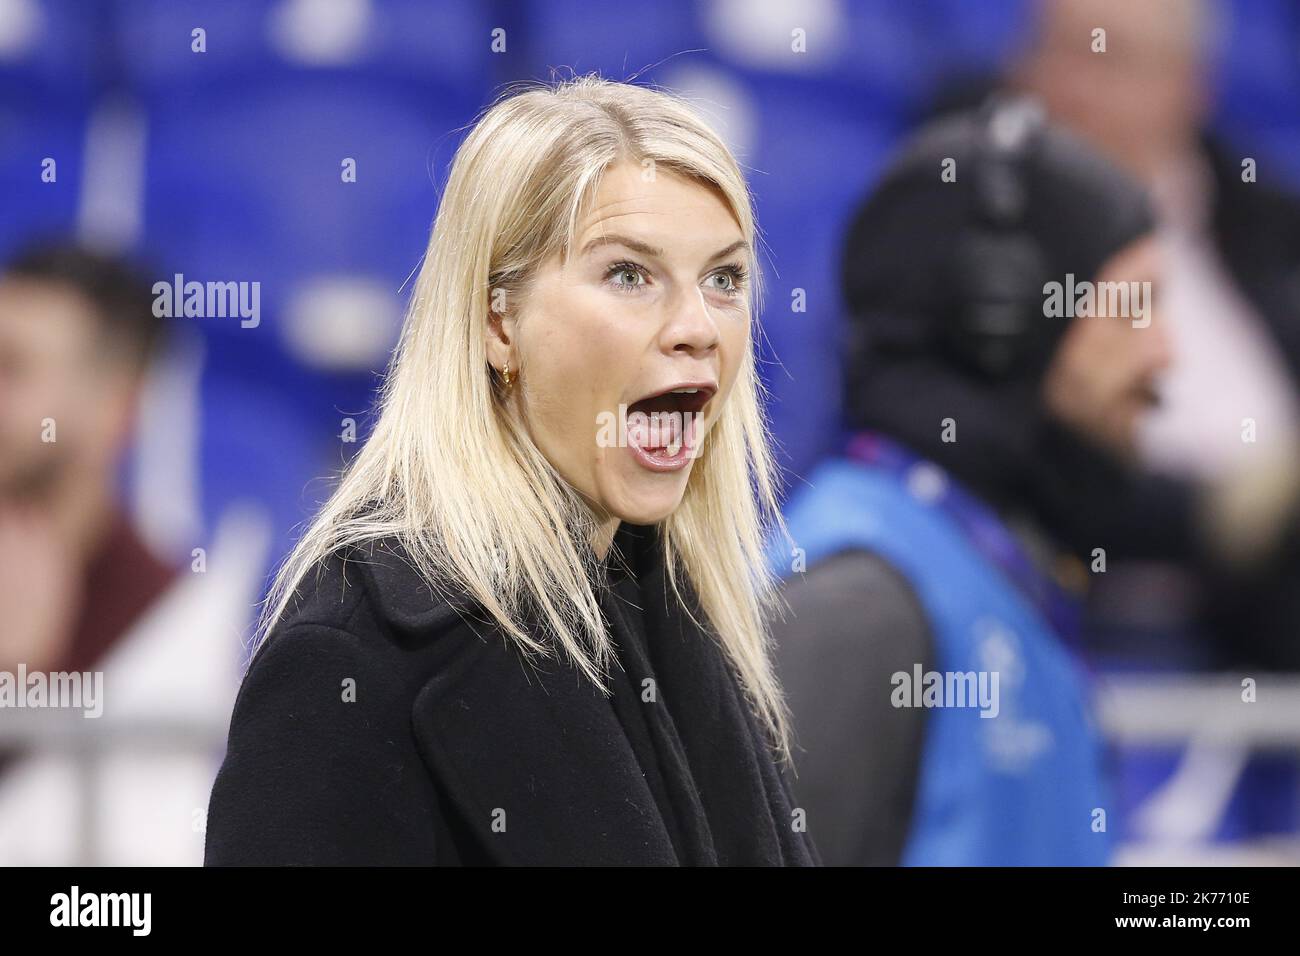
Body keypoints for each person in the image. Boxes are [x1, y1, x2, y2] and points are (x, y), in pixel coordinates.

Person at [203, 75, 821, 866]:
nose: (698, 327)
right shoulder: (351, 656)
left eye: (723, 279)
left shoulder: (679, 614)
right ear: (499, 321)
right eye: (629, 275)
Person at [766, 98, 1179, 866]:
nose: (1166, 353)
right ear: (1003, 320)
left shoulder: (983, 566)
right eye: (1135, 307)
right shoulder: (859, 602)